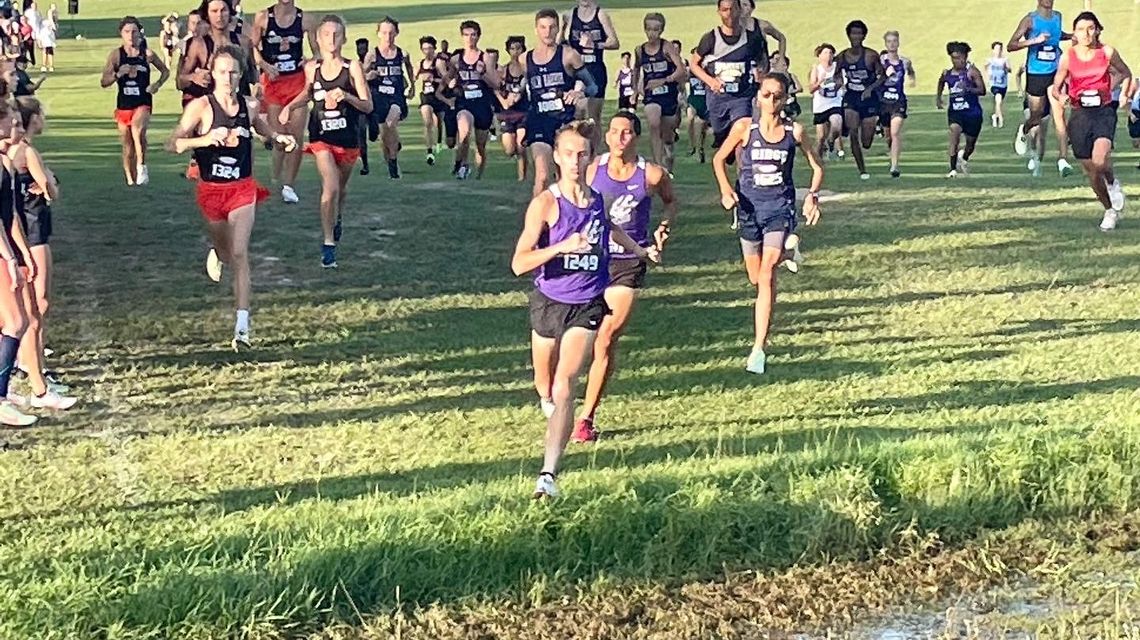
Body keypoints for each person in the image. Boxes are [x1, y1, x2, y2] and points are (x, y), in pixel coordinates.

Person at [510, 120, 659, 499]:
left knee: (565, 384)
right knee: (544, 385)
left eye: (583, 154)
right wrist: (561, 248)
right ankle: (549, 406)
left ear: (590, 157)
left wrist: (642, 251)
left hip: (587, 302)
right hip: (549, 300)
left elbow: (609, 227)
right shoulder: (546, 203)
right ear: (557, 158)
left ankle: (548, 474)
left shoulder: (595, 199)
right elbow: (519, 262)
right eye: (569, 154)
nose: (576, 161)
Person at [168, 44, 295, 350]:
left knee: (240, 253)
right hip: (211, 191)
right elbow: (171, 143)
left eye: (233, 72)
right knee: (225, 250)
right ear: (212, 74)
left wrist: (278, 138)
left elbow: (262, 127)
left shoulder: (249, 106)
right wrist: (204, 138)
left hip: (242, 188)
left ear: (241, 75)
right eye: (222, 71)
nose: (228, 77)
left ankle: (242, 327)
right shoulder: (200, 106)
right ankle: (217, 251)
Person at [573, 111, 676, 442]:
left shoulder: (652, 174)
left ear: (636, 137)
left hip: (630, 260)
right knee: (578, 337)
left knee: (606, 336)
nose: (620, 137)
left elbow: (671, 203)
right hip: (594, 259)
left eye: (627, 132)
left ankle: (585, 418)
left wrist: (663, 227)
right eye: (615, 131)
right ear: (607, 137)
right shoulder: (593, 169)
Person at [713, 73, 823, 375]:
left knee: (765, 274)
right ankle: (789, 251)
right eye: (766, 95)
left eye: (777, 96)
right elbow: (719, 159)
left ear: (786, 99)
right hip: (748, 210)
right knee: (755, 278)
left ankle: (758, 348)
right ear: (758, 97)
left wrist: (812, 196)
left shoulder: (795, 132)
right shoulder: (744, 129)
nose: (771, 101)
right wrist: (726, 190)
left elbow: (816, 167)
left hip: (779, 209)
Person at [280, 14, 371, 269]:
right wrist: (291, 105)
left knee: (340, 190)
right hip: (321, 137)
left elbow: (367, 105)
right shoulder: (312, 68)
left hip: (347, 139)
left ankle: (337, 217)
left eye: (337, 34)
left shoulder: (351, 68)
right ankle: (328, 243)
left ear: (344, 38)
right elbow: (308, 92)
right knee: (329, 187)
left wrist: (346, 96)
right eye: (326, 34)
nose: (331, 39)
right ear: (317, 39)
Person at [6, 97, 74, 410]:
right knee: (36, 308)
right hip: (32, 232)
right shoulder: (28, 152)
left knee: (29, 312)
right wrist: (48, 179)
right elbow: (51, 190)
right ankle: (35, 376)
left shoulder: (9, 156)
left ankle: (33, 370)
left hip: (23, 233)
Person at [1050, 12, 1132, 231]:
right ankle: (1109, 210)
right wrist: (1063, 96)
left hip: (1103, 112)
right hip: (1080, 115)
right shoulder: (1068, 57)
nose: (1086, 34)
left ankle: (1113, 183)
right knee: (1091, 171)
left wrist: (1114, 88)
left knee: (1100, 159)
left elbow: (1125, 72)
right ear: (1074, 33)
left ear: (1097, 30)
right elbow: (1056, 87)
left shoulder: (1107, 52)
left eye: (1090, 28)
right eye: (1080, 29)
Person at [250, 0, 315, 204]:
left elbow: (317, 52)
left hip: (297, 83)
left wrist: (309, 61)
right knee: (279, 137)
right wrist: (263, 64)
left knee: (295, 137)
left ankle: (289, 185)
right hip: (274, 84)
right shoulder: (263, 17)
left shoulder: (305, 19)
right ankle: (276, 177)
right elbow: (252, 47)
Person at [524, 8, 593, 198]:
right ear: (536, 29)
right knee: (542, 176)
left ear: (557, 29)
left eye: (552, 27)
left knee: (567, 178)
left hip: (565, 123)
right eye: (543, 27)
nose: (547, 32)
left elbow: (592, 85)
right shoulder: (526, 59)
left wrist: (578, 92)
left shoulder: (568, 55)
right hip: (539, 121)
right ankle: (538, 223)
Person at [689, 0, 770, 154]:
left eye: (733, 9)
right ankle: (727, 151)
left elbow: (762, 61)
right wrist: (710, 81)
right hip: (717, 98)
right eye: (725, 10)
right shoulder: (710, 38)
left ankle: (743, 177)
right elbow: (694, 64)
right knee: (723, 141)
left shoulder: (752, 38)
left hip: (742, 97)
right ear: (719, 12)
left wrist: (761, 74)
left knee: (742, 137)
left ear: (740, 10)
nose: (729, 14)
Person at [100, 16, 170, 187]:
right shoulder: (116, 55)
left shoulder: (147, 54)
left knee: (138, 131)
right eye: (127, 32)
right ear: (121, 34)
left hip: (143, 100)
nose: (131, 35)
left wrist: (156, 85)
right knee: (127, 143)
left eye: (134, 31)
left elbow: (165, 71)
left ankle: (142, 167)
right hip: (124, 104)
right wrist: (118, 74)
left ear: (139, 33)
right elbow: (104, 81)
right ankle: (130, 180)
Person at [1008, 0, 1074, 178]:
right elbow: (1011, 45)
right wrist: (1034, 40)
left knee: (1059, 116)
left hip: (1055, 70)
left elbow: (1057, 35)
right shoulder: (1030, 20)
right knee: (1036, 116)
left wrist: (1071, 36)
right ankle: (1024, 129)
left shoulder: (1058, 16)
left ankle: (1062, 160)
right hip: (1036, 73)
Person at [632, 12, 685, 174]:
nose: (651, 33)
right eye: (648, 29)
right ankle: (657, 166)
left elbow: (681, 70)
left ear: (661, 30)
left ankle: (668, 150)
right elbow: (636, 69)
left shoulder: (666, 47)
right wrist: (635, 89)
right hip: (651, 95)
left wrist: (665, 80)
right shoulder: (640, 50)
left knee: (667, 134)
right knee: (654, 124)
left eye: (655, 29)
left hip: (668, 94)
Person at [561, 0, 618, 150]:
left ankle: (594, 154)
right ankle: (577, 150)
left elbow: (614, 42)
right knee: (576, 113)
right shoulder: (570, 15)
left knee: (593, 117)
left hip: (595, 70)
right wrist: (563, 28)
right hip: (576, 72)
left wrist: (596, 44)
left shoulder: (601, 15)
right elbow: (560, 44)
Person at [363, 17, 414, 180]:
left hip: (396, 97)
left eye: (391, 33)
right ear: (378, 33)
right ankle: (392, 161)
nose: (388, 36)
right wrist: (368, 76)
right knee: (385, 134)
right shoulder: (372, 54)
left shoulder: (402, 54)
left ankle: (393, 163)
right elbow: (361, 76)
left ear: (397, 33)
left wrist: (412, 85)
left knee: (390, 122)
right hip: (379, 97)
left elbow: (409, 68)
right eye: (384, 33)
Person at [448, 20, 498, 180]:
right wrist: (451, 84)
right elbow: (449, 78)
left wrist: (483, 73)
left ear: (478, 36)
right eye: (466, 35)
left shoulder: (486, 58)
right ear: (462, 37)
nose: (470, 38)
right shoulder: (456, 59)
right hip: (465, 103)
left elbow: (496, 83)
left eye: (473, 35)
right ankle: (461, 165)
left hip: (482, 104)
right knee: (464, 133)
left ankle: (478, 176)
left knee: (480, 145)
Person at [837, 20, 884, 180]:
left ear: (864, 36)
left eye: (859, 33)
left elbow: (882, 76)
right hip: (852, 97)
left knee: (866, 141)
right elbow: (836, 74)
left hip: (869, 99)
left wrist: (870, 89)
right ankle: (862, 170)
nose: (855, 37)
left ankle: (875, 126)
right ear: (848, 35)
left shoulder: (871, 55)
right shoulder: (843, 56)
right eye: (852, 33)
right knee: (853, 133)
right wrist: (840, 84)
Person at [936, 42, 986, 178]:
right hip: (955, 112)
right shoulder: (947, 73)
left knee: (970, 144)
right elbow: (941, 82)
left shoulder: (972, 72)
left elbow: (982, 90)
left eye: (959, 58)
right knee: (954, 134)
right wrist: (938, 98)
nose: (957, 61)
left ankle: (964, 156)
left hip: (973, 113)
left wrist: (968, 89)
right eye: (954, 58)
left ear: (965, 57)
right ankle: (952, 169)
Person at [878, 31, 915, 178]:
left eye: (894, 41)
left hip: (898, 101)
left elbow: (911, 71)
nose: (892, 44)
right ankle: (892, 152)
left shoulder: (904, 61)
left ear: (898, 43)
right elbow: (874, 76)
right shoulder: (880, 61)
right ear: (885, 44)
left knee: (895, 133)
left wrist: (912, 79)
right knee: (889, 136)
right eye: (889, 41)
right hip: (883, 101)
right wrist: (884, 74)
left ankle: (894, 166)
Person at [496, 35, 529, 182]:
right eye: (512, 49)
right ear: (508, 51)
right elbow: (495, 88)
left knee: (521, 147)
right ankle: (514, 153)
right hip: (507, 113)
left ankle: (522, 177)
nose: (516, 52)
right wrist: (503, 101)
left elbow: (527, 87)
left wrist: (519, 94)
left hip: (523, 111)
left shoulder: (527, 70)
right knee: (510, 150)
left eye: (519, 48)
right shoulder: (503, 70)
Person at [416, 35, 448, 166]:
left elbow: (447, 79)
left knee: (438, 122)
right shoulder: (420, 63)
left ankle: (439, 142)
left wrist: (433, 79)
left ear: (434, 49)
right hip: (426, 96)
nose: (427, 51)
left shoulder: (439, 63)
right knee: (427, 123)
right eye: (424, 49)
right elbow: (413, 76)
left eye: (429, 48)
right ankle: (429, 151)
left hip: (438, 96)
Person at [810, 43, 845, 162]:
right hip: (820, 105)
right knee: (820, 137)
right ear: (819, 56)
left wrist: (837, 85)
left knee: (836, 123)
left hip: (835, 102)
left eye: (830, 53)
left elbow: (841, 82)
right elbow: (811, 89)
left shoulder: (837, 67)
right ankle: (818, 161)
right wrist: (820, 81)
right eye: (825, 53)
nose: (828, 55)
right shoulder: (816, 69)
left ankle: (831, 142)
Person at [685, 50, 709, 162]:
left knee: (701, 126)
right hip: (693, 98)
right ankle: (692, 145)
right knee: (690, 119)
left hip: (704, 100)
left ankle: (700, 148)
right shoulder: (691, 70)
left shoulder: (707, 70)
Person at [987, 42, 1012, 128]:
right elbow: (985, 68)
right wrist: (989, 76)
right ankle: (1000, 120)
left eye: (1000, 49)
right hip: (994, 85)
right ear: (993, 50)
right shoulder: (990, 61)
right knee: (998, 101)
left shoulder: (1005, 60)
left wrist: (1006, 68)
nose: (998, 51)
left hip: (1003, 85)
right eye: (996, 49)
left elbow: (1009, 70)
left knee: (999, 102)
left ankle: (995, 116)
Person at [770, 53, 801, 120]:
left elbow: (799, 88)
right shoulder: (772, 76)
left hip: (790, 104)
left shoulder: (791, 76)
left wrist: (790, 92)